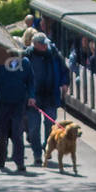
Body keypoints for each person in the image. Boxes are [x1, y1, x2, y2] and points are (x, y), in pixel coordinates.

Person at [24, 32, 66, 167]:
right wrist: (26, 95)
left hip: (50, 96)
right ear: (35, 44)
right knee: (34, 128)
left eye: (45, 43)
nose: (45, 46)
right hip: (33, 97)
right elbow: (21, 76)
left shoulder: (54, 54)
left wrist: (65, 83)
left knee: (50, 124)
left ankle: (46, 146)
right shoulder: (27, 56)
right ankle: (37, 154)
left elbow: (64, 70)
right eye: (42, 44)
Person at [0, 51, 34, 172]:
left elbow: (31, 81)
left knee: (17, 133)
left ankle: (19, 162)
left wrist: (32, 96)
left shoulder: (25, 63)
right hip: (2, 103)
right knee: (1, 134)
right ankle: (0, 159)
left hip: (19, 103)